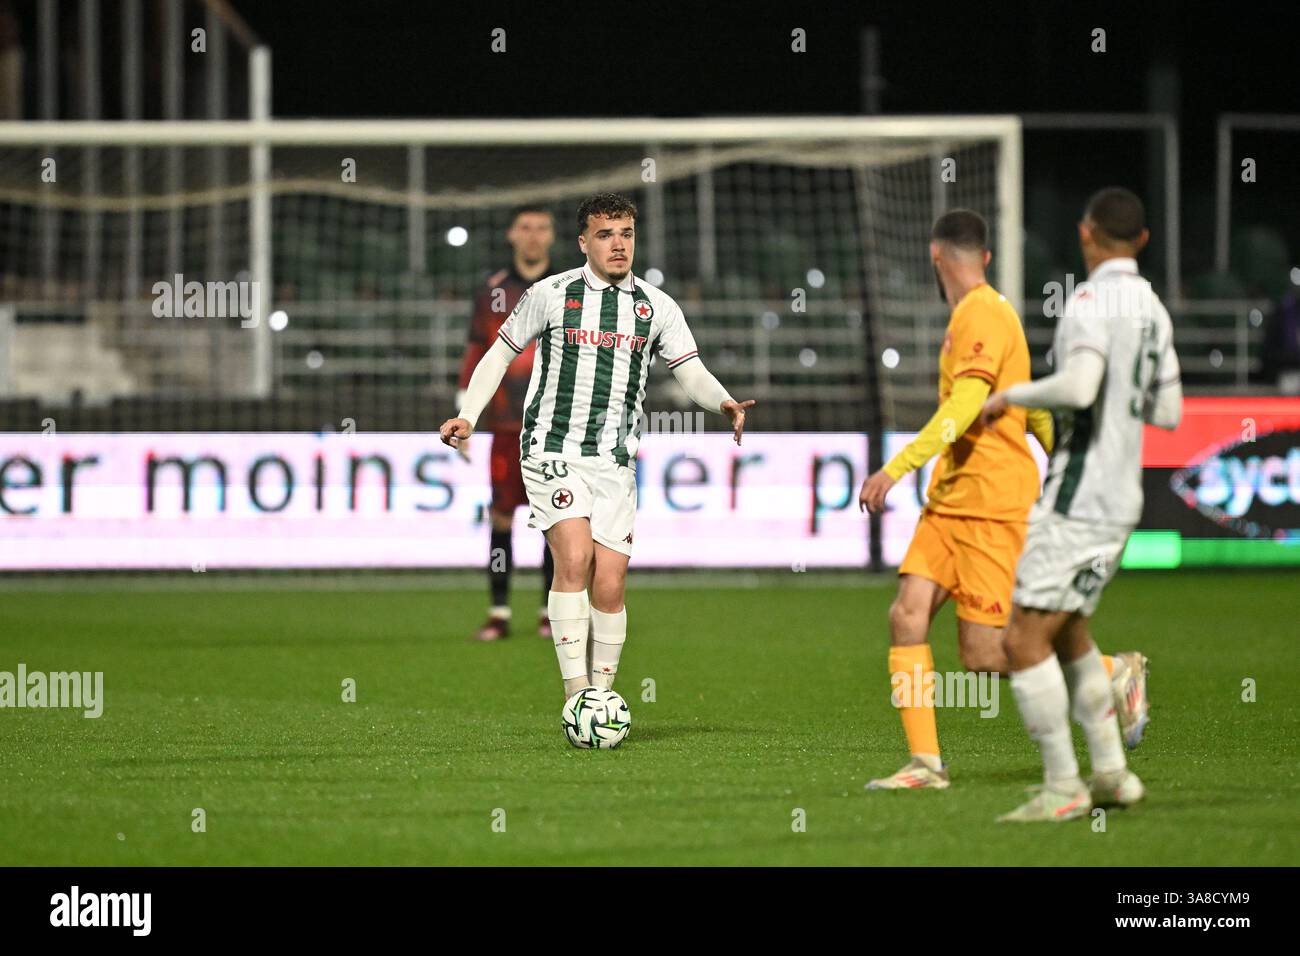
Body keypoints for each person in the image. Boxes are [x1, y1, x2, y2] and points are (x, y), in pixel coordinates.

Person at [861, 209, 1146, 791]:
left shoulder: (985, 314)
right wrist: (1061, 451)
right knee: (906, 616)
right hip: (949, 502)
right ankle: (926, 765)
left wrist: (897, 466)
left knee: (988, 655)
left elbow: (965, 406)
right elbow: (1030, 407)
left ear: (936, 256)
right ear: (985, 256)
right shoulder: (978, 315)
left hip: (991, 504)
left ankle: (1114, 672)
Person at [441, 193, 755, 697]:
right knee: (574, 558)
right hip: (551, 450)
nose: (618, 245)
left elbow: (689, 370)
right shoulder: (551, 293)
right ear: (584, 241)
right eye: (606, 235)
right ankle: (576, 695)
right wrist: (468, 415)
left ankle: (603, 694)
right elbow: (497, 354)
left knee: (609, 584)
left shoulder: (657, 308)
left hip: (614, 461)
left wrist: (723, 402)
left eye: (626, 234)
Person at [980, 187, 1182, 822]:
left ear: (1086, 233)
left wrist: (1011, 395)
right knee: (1070, 634)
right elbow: (1171, 412)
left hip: (1079, 497)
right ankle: (1113, 776)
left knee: (1020, 640)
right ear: (1143, 240)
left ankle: (1063, 785)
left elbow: (1081, 384)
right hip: (1124, 498)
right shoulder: (1153, 308)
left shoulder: (1090, 301)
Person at [456, 207, 559, 641]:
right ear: (512, 234)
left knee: (560, 518)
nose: (533, 236)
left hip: (557, 426)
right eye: (526, 228)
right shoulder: (492, 291)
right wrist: (465, 412)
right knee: (501, 516)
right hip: (504, 425)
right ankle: (499, 612)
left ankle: (550, 613)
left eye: (542, 228)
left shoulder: (572, 287)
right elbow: (477, 352)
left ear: (554, 237)